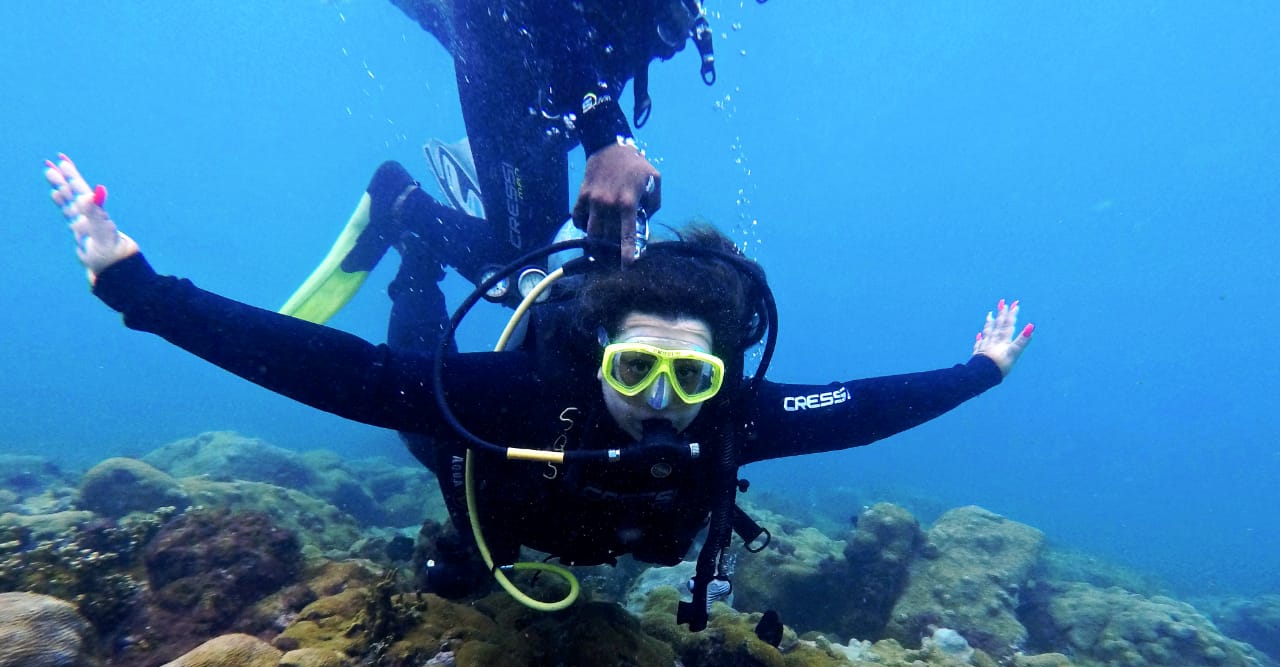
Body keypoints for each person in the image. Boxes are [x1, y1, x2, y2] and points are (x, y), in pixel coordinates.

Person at [45, 154, 1033, 629]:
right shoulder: (523, 395)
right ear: (597, 358)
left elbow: (861, 411)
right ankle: (416, 239)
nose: (658, 400)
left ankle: (463, 236)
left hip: (571, 518)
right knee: (413, 390)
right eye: (633, 367)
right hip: (490, 476)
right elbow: (344, 376)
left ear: (723, 379)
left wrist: (977, 373)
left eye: (688, 377)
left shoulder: (736, 418)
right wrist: (146, 294)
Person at [282, 0, 738, 324]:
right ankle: (398, 203)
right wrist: (605, 137)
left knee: (542, 255)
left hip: (530, 59)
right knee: (527, 271)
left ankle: (498, 185)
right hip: (498, 23)